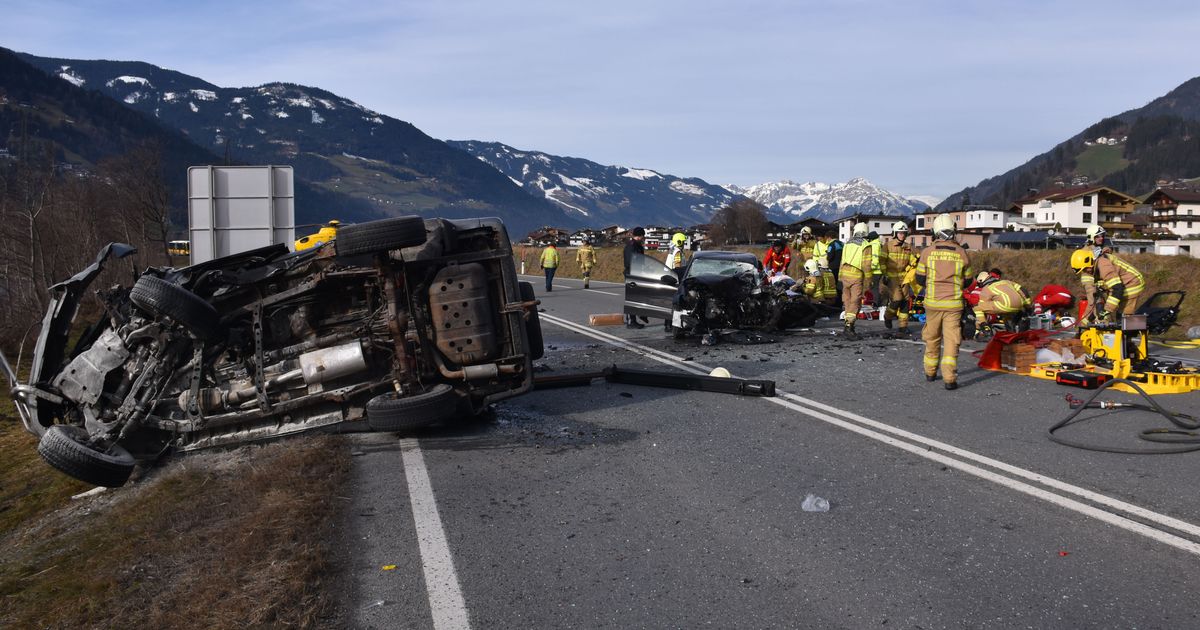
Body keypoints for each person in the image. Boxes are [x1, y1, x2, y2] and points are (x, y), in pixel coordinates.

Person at [915, 214, 972, 390]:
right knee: (951, 341)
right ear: (953, 231)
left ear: (935, 232)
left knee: (932, 338)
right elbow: (969, 280)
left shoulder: (927, 252)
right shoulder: (961, 253)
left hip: (932, 303)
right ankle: (949, 378)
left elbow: (919, 279)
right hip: (953, 305)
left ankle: (930, 373)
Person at [1073, 225, 1146, 321]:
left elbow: (1116, 286)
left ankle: (1122, 332)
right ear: (1091, 237)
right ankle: (1087, 329)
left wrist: (1107, 309)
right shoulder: (1087, 253)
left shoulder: (1100, 253)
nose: (1101, 238)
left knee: (1122, 313)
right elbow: (1089, 275)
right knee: (1095, 307)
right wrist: (1097, 299)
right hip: (1095, 283)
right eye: (1098, 236)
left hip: (1130, 283)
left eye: (1102, 236)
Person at [839, 223, 881, 339]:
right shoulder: (865, 244)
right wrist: (869, 280)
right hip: (856, 275)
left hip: (845, 274)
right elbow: (866, 265)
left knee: (847, 300)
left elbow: (842, 260)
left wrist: (840, 276)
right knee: (855, 301)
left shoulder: (848, 243)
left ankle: (846, 325)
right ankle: (849, 327)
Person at [880, 221, 918, 335]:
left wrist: (917, 259)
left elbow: (913, 261)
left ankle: (903, 326)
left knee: (906, 302)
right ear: (895, 233)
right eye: (900, 233)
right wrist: (884, 274)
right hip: (891, 277)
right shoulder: (887, 246)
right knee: (897, 299)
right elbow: (882, 261)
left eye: (904, 233)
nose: (902, 235)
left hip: (904, 277)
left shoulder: (908, 247)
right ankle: (888, 316)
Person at [971, 271, 1031, 340]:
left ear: (981, 282)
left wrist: (980, 323)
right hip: (1019, 304)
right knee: (1006, 314)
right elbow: (1023, 290)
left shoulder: (987, 288)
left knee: (977, 307)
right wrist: (1028, 306)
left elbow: (982, 304)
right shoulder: (1006, 282)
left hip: (1004, 305)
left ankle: (986, 330)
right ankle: (1013, 332)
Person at [623, 227, 647, 328]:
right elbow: (629, 262)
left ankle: (641, 314)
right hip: (631, 274)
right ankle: (631, 322)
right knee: (632, 298)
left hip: (638, 274)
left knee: (639, 296)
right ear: (640, 236)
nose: (643, 238)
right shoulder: (631, 246)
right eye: (643, 236)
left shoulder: (638, 246)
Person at [813, 229, 840, 305]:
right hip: (821, 266)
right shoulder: (817, 244)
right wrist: (816, 266)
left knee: (831, 282)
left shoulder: (830, 243)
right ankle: (825, 299)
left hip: (830, 265)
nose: (820, 240)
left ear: (825, 237)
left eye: (821, 238)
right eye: (818, 239)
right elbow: (815, 256)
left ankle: (832, 299)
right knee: (822, 282)